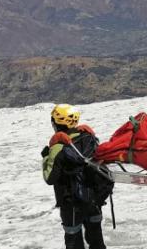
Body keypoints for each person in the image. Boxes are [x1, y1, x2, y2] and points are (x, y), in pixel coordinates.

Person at [41, 104, 108, 249]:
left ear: (56, 123)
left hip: (71, 203)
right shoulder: (90, 139)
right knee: (96, 240)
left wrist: (46, 157)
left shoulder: (58, 148)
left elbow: (49, 178)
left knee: (73, 242)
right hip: (93, 200)